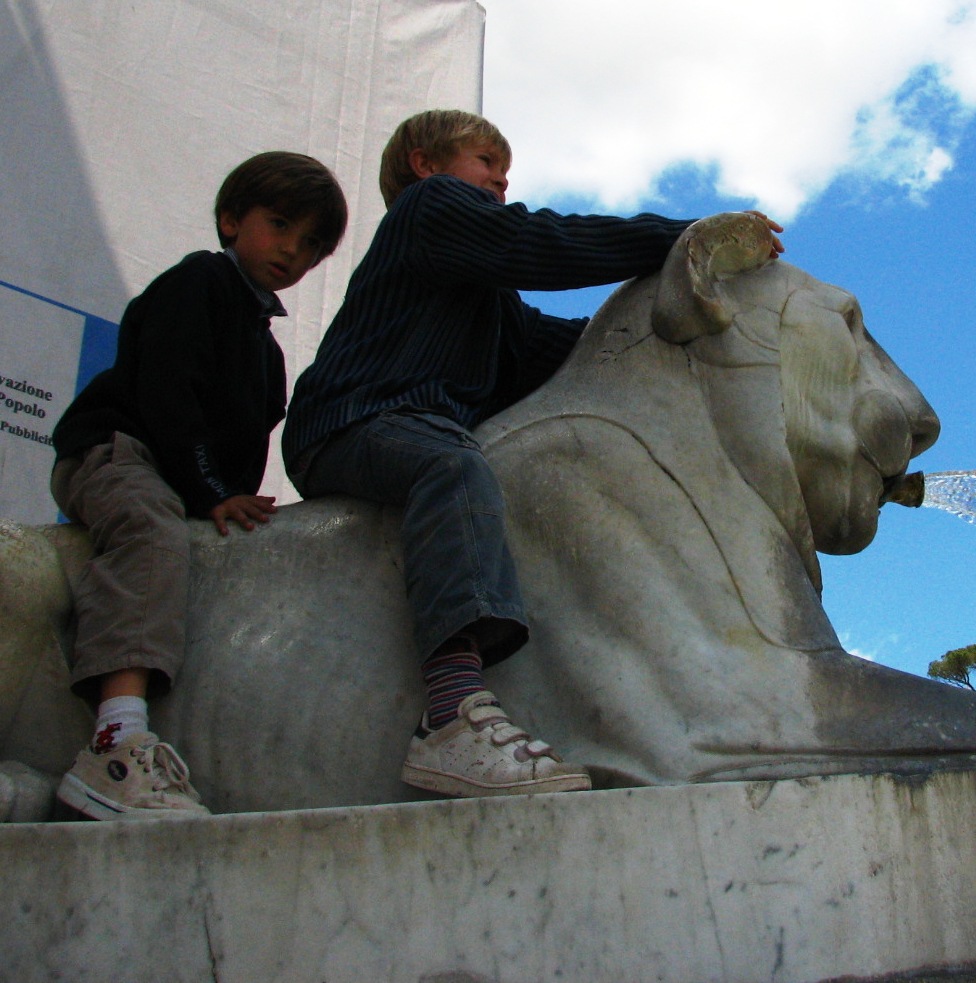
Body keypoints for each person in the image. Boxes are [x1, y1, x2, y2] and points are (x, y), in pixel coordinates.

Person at [282, 109, 782, 799]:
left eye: (505, 169)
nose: (501, 178)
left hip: (412, 430)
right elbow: (532, 240)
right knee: (452, 465)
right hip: (351, 421)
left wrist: (674, 334)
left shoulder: (489, 305)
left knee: (478, 469)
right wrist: (685, 242)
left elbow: (578, 351)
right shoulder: (429, 209)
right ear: (426, 165)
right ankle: (452, 718)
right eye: (486, 161)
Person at [50, 152, 349, 819]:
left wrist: (225, 500)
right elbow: (167, 394)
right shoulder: (199, 282)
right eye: (279, 225)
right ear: (230, 220)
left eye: (311, 245)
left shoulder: (269, 356)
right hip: (121, 451)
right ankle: (115, 744)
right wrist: (211, 490)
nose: (292, 251)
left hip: (185, 482)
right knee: (151, 530)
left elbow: (245, 449)